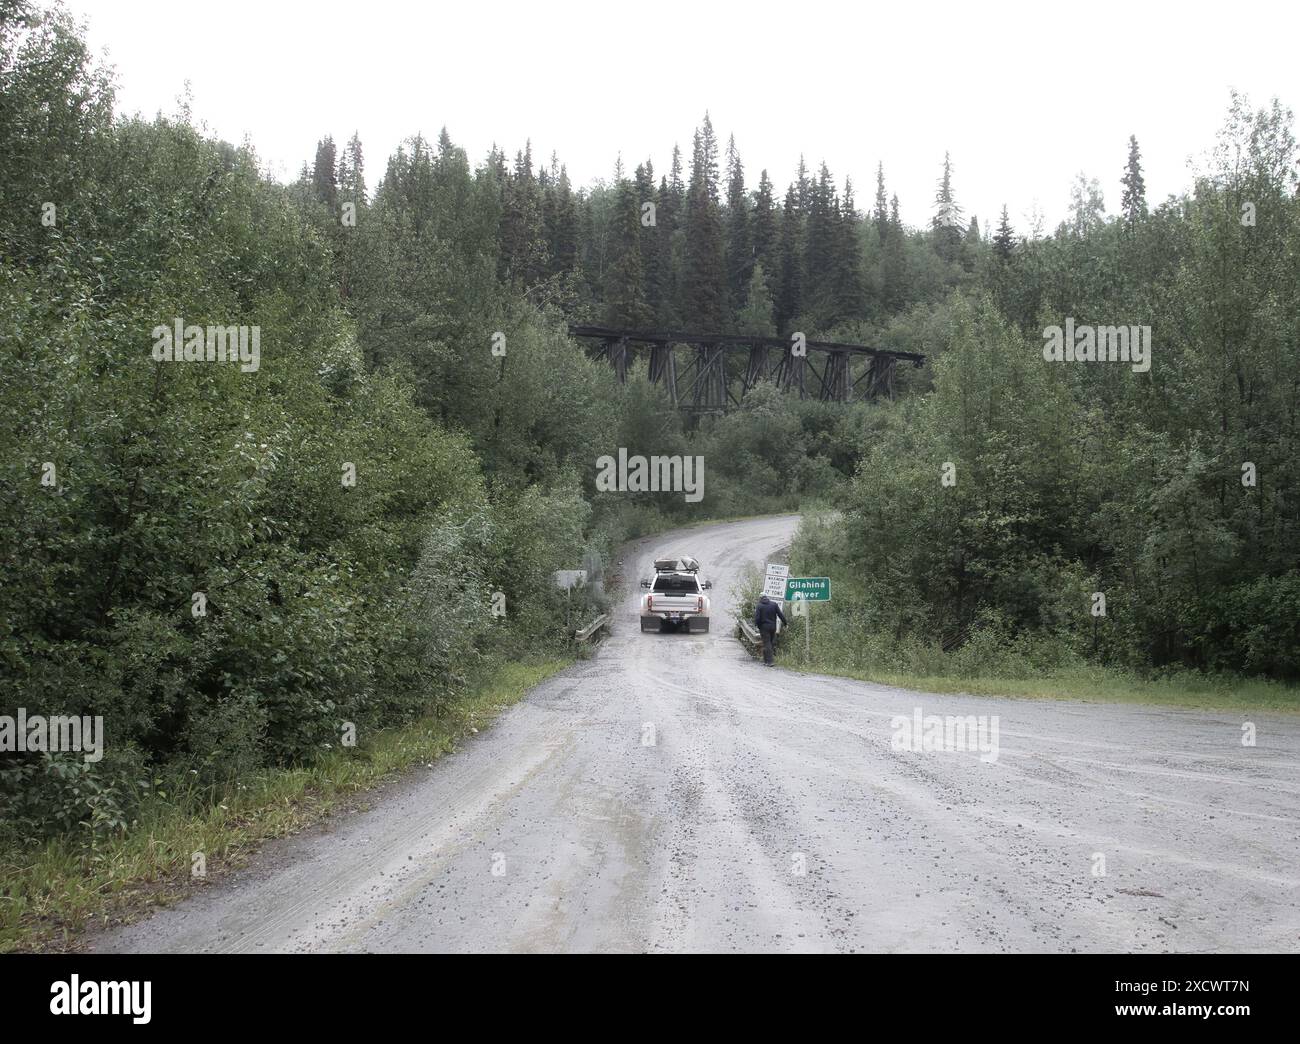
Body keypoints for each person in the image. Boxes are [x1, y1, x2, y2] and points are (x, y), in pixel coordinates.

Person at [753, 594, 787, 667]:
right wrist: (785, 623)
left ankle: (770, 661)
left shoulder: (759, 606)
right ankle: (765, 660)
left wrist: (757, 625)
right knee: (769, 643)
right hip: (773, 627)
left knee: (767, 643)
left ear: (760, 598)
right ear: (766, 597)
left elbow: (757, 618)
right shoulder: (774, 604)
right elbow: (780, 615)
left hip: (764, 628)